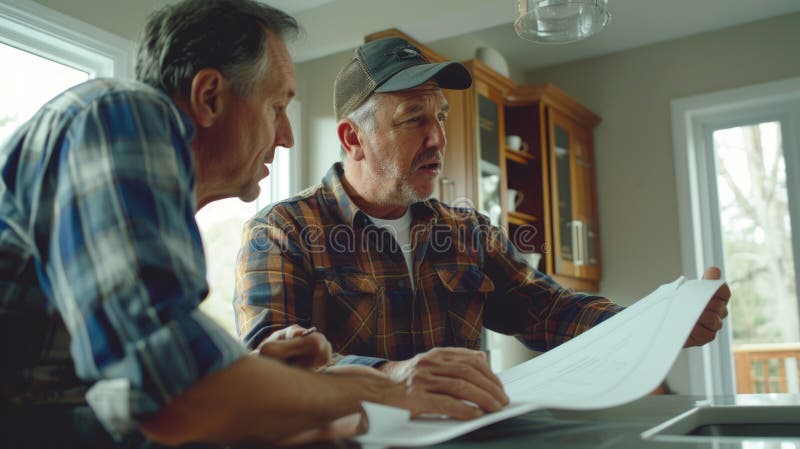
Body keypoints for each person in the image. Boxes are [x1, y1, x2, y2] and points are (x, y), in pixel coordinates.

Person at [0, 3, 429, 447]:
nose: (286, 137)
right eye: (277, 107)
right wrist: (375, 390)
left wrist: (254, 376)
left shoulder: (146, 188)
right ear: (209, 97)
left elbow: (130, 390)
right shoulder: (119, 113)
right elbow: (179, 400)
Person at [234, 36, 732, 419]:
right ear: (353, 138)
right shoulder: (281, 231)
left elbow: (550, 311)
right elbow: (271, 365)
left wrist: (660, 324)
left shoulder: (467, 230)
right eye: (414, 119)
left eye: (441, 116)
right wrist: (391, 378)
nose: (438, 138)